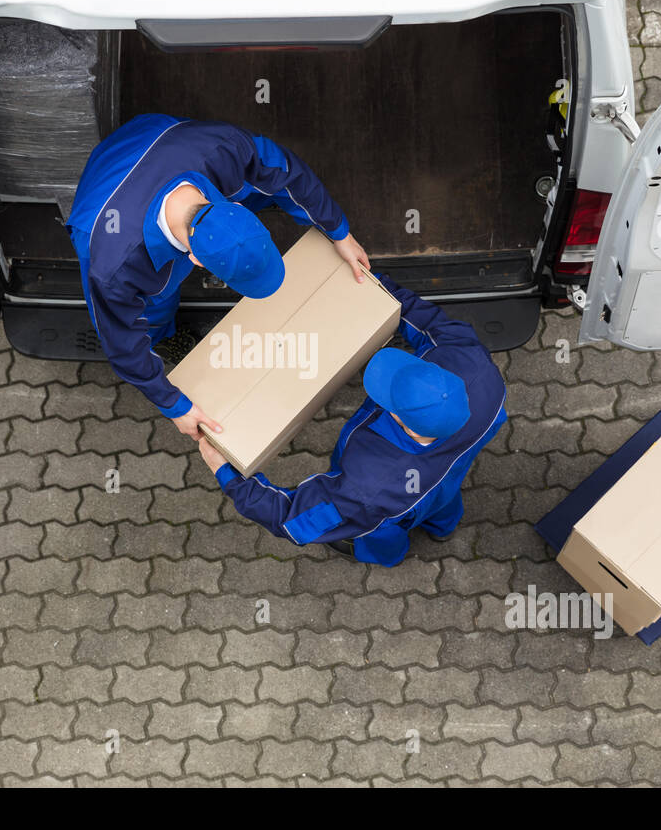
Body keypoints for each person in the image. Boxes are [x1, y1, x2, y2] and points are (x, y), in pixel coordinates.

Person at [66, 113, 369, 439]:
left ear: (236, 207)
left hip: (150, 135)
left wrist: (338, 231)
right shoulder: (114, 266)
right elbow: (122, 342)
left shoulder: (224, 147)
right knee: (155, 304)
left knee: (267, 181)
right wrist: (173, 405)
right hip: (99, 198)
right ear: (196, 260)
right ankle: (164, 336)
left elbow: (284, 170)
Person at [197, 276, 507, 567]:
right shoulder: (475, 365)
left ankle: (391, 556)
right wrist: (371, 281)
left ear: (403, 422)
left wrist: (227, 473)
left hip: (392, 507)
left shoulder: (367, 486)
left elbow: (290, 518)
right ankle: (444, 527)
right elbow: (418, 314)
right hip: (450, 466)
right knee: (444, 492)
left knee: (382, 533)